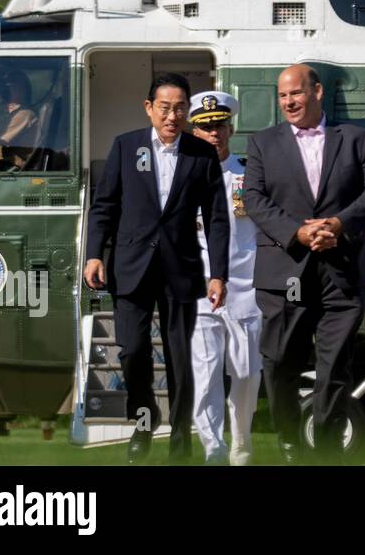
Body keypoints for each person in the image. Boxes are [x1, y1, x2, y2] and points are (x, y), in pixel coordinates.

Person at [243, 64, 365, 462]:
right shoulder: (262, 143)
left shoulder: (355, 138)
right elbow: (255, 200)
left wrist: (339, 224)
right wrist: (298, 232)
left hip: (342, 271)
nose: (288, 102)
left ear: (317, 92)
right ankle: (289, 439)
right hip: (285, 270)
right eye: (283, 95)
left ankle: (324, 448)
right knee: (278, 364)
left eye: (296, 93)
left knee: (335, 366)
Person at [84, 72, 230, 463]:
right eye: (164, 107)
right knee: (132, 351)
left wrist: (219, 274)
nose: (172, 115)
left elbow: (217, 218)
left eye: (180, 108)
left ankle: (181, 433)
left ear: (187, 111)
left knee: (180, 358)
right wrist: (94, 254)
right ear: (149, 108)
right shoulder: (126, 146)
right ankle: (144, 423)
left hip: (180, 270)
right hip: (130, 266)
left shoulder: (201, 155)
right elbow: (104, 206)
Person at [186, 91, 261, 466]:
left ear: (230, 127)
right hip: (197, 290)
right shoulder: (182, 178)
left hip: (243, 289)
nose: (213, 133)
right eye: (205, 128)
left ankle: (242, 436)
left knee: (246, 373)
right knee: (205, 373)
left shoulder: (248, 175)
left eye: (219, 126)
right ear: (194, 132)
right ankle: (213, 446)